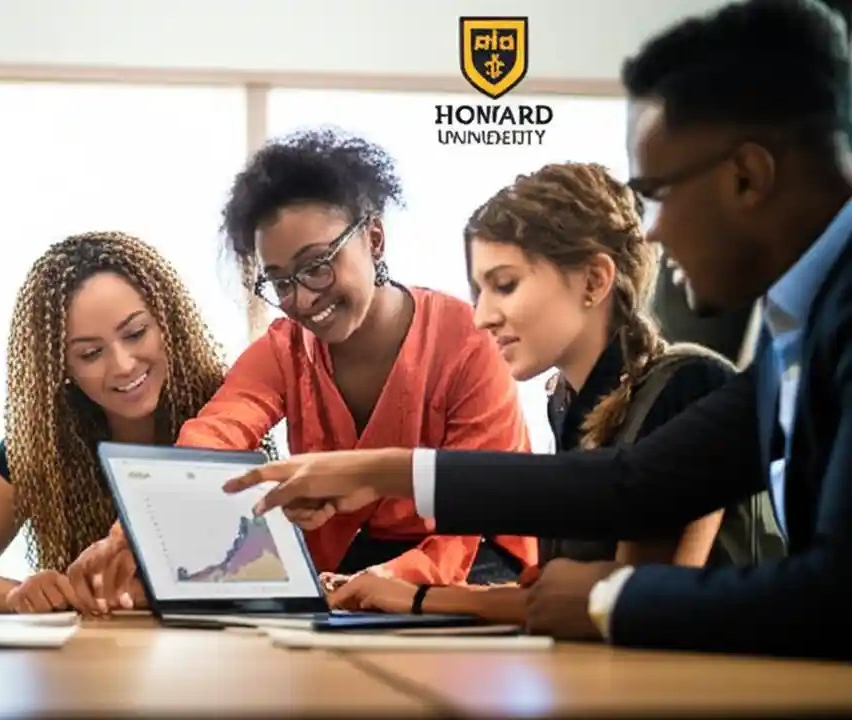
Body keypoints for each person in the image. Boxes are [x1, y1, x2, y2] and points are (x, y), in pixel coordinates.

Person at [222, 0, 852, 660]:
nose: (655, 229)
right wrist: (382, 472)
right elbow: (628, 485)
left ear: (748, 176)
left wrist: (608, 601)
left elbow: (836, 596)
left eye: (659, 192)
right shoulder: (796, 334)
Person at [65, 128, 539, 608]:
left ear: (374, 239)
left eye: (317, 265)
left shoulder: (469, 342)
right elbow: (212, 436)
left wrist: (388, 578)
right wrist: (128, 534)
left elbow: (474, 504)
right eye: (280, 281)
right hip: (347, 564)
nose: (304, 299)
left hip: (475, 557)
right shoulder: (284, 350)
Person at [326, 162, 783, 621]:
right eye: (477, 291)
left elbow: (619, 602)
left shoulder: (685, 384)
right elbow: (559, 589)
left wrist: (419, 598)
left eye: (504, 285)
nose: (482, 316)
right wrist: (390, 586)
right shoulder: (564, 401)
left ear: (594, 280)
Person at [0, 232, 248, 614]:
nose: (123, 365)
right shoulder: (47, 440)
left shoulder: (229, 408)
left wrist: (93, 597)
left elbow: (248, 582)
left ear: (169, 323)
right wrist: (22, 596)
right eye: (90, 353)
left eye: (135, 334)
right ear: (62, 367)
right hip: (89, 667)